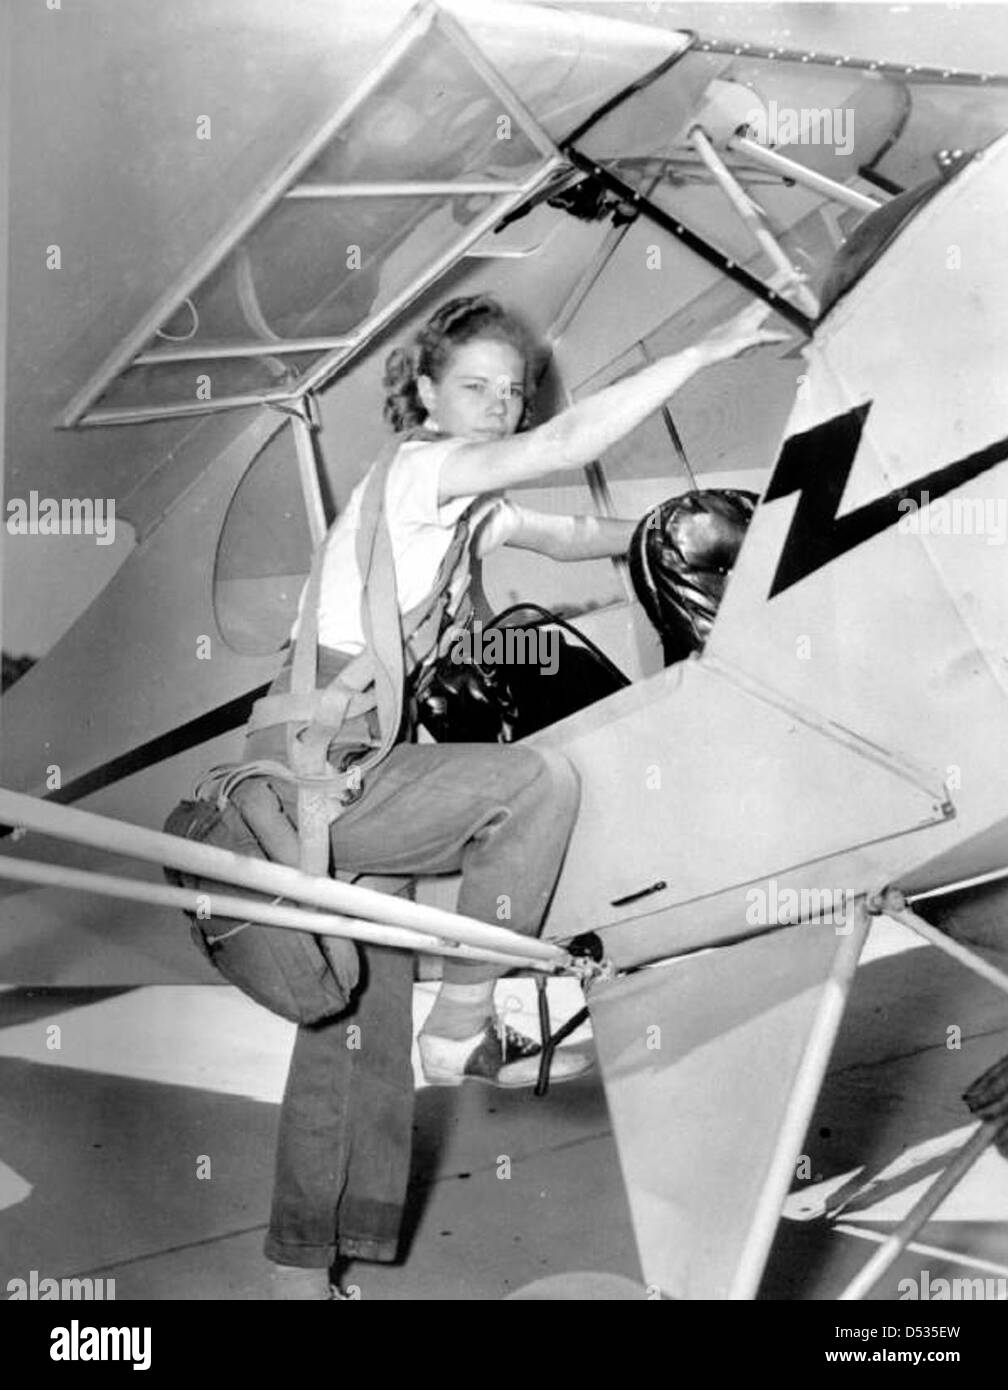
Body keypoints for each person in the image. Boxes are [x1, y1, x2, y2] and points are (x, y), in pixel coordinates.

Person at [247, 292, 785, 1297]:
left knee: (353, 1026)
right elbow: (570, 440)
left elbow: (581, 534)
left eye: (511, 392)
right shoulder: (418, 474)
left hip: (356, 772)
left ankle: (302, 1272)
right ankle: (462, 1025)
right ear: (421, 394)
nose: (498, 406)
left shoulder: (465, 509)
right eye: (473, 388)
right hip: (315, 771)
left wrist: (707, 529)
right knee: (532, 787)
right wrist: (702, 349)